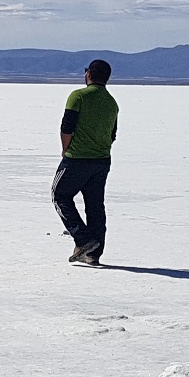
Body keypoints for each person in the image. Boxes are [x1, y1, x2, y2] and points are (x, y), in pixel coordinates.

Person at [53, 59, 119, 265]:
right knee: (95, 205)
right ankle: (94, 253)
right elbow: (112, 134)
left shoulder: (78, 96)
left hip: (77, 159)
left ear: (89, 74)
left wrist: (65, 149)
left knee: (60, 196)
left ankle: (83, 240)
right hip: (101, 161)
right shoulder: (112, 102)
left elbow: (67, 126)